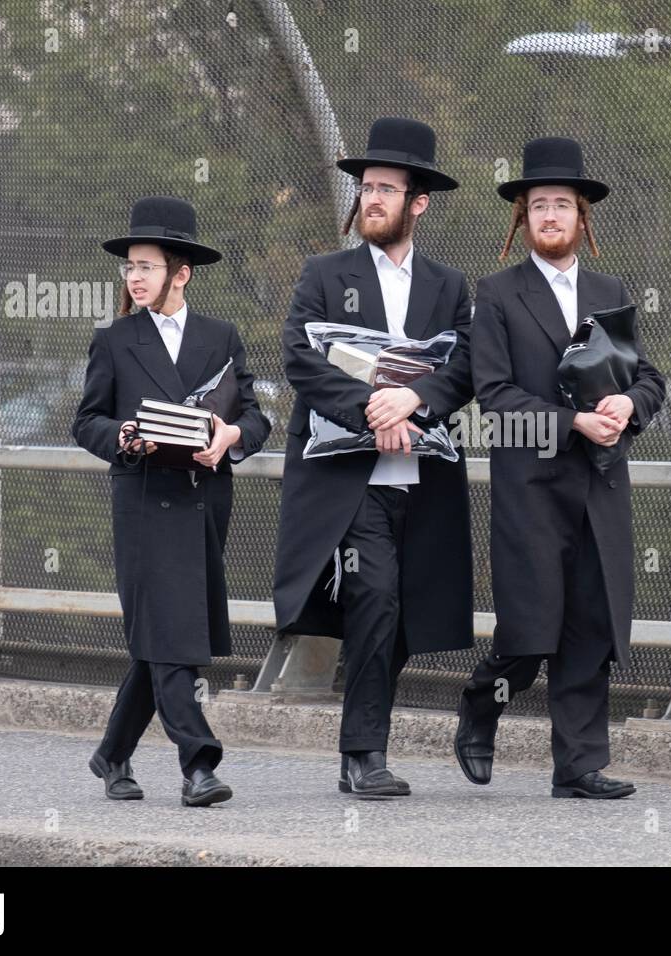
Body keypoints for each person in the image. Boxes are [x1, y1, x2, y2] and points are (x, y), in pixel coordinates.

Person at [455, 137, 666, 798]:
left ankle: (578, 765)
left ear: (583, 219)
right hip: (531, 491)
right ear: (522, 219)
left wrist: (625, 404)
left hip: (599, 487)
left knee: (589, 628)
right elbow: (493, 395)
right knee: (529, 631)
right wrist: (572, 419)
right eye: (539, 205)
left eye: (563, 205)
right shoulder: (497, 294)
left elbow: (650, 377)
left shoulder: (608, 291)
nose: (551, 215)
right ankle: (480, 706)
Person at [271, 118, 475, 798]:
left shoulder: (449, 286)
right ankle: (364, 754)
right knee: (375, 598)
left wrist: (411, 403)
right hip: (348, 481)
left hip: (423, 480)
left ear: (419, 202)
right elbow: (300, 358)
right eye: (366, 188)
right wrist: (369, 409)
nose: (371, 200)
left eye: (387, 189)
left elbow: (468, 365)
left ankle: (361, 744)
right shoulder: (325, 274)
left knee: (406, 615)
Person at [72, 196, 271, 807]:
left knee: (162, 638)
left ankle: (111, 754)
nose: (134, 277)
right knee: (171, 639)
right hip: (143, 501)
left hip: (205, 500)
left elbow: (258, 417)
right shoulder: (114, 339)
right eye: (129, 266)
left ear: (180, 273)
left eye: (147, 266)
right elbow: (86, 422)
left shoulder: (221, 336)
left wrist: (232, 437)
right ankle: (199, 764)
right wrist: (125, 437)